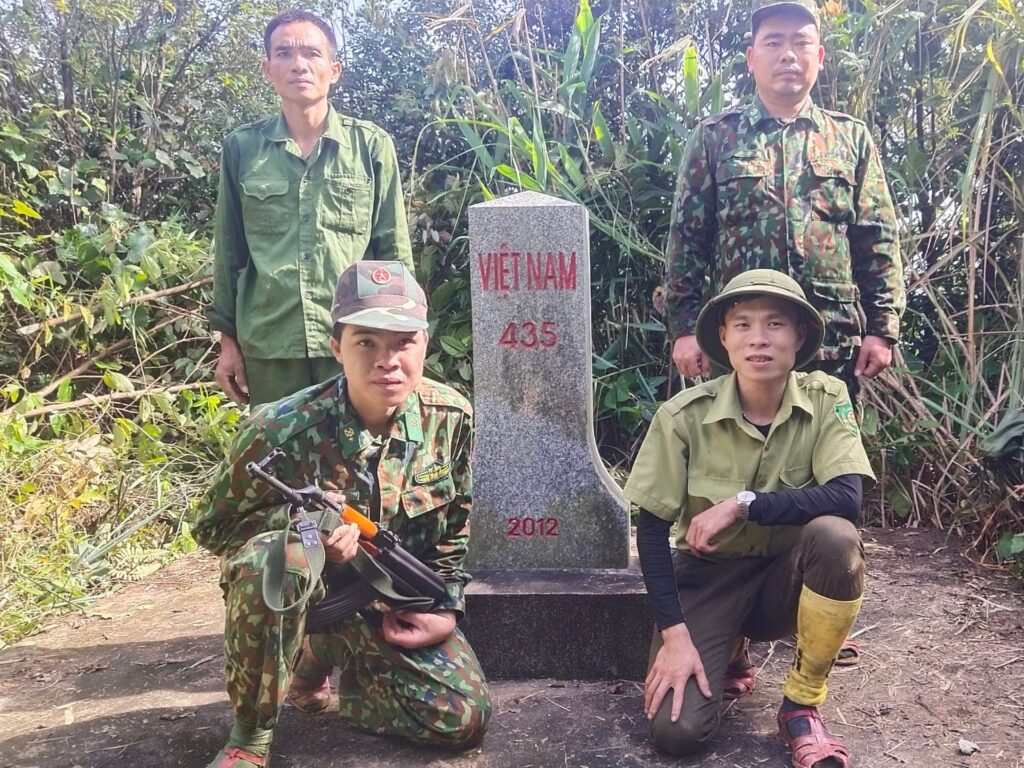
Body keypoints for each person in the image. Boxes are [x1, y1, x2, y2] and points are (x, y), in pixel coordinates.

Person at [194, 261, 490, 767]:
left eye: (402, 342)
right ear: (336, 347)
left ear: (425, 344)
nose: (387, 361)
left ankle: (324, 658)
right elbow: (215, 529)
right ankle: (251, 734)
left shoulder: (450, 420)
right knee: (287, 559)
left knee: (460, 718)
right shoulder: (279, 430)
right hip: (293, 590)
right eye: (366, 342)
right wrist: (306, 533)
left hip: (383, 599)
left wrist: (446, 609)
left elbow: (454, 530)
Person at [625, 269, 873, 768]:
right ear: (722, 335)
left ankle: (801, 706)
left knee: (836, 538)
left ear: (799, 335)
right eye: (742, 324)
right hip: (707, 580)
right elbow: (650, 530)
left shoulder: (827, 399)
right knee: (678, 732)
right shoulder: (682, 417)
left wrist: (744, 503)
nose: (758, 338)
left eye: (776, 324)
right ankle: (730, 649)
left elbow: (847, 497)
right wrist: (674, 636)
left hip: (785, 577)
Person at [664, 0, 904, 406]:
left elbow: (876, 238)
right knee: (741, 460)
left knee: (832, 463)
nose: (788, 54)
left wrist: (882, 329)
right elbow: (687, 239)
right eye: (773, 42)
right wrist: (685, 329)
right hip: (743, 345)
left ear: (820, 57)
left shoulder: (851, 138)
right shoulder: (715, 137)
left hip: (831, 340)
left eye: (801, 43)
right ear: (752, 58)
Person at [207, 10, 414, 407]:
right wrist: (227, 342)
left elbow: (393, 253)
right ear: (268, 70)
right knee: (275, 464)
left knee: (357, 461)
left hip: (356, 339)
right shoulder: (243, 149)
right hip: (270, 344)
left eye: (312, 54)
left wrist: (401, 343)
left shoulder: (370, 147)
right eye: (284, 53)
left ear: (333, 69)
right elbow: (229, 253)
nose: (299, 64)